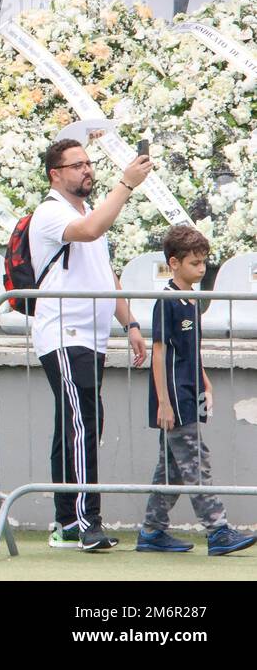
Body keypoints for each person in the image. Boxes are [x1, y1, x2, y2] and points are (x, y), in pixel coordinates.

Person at [30, 139, 150, 552]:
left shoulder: (89, 213)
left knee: (80, 424)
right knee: (80, 423)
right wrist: (127, 184)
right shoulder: (50, 212)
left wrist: (130, 322)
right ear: (55, 174)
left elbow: (106, 275)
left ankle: (67, 522)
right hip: (64, 334)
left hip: (92, 337)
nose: (86, 170)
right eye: (76, 164)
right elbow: (91, 231)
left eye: (88, 163)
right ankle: (85, 522)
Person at [136, 225, 256, 556]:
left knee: (172, 468)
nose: (201, 269)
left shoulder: (194, 300)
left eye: (204, 263)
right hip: (173, 396)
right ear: (174, 263)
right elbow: (159, 352)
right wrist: (163, 402)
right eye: (194, 263)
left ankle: (151, 531)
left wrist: (203, 377)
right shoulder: (168, 301)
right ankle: (218, 530)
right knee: (195, 461)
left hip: (190, 391)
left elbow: (191, 346)